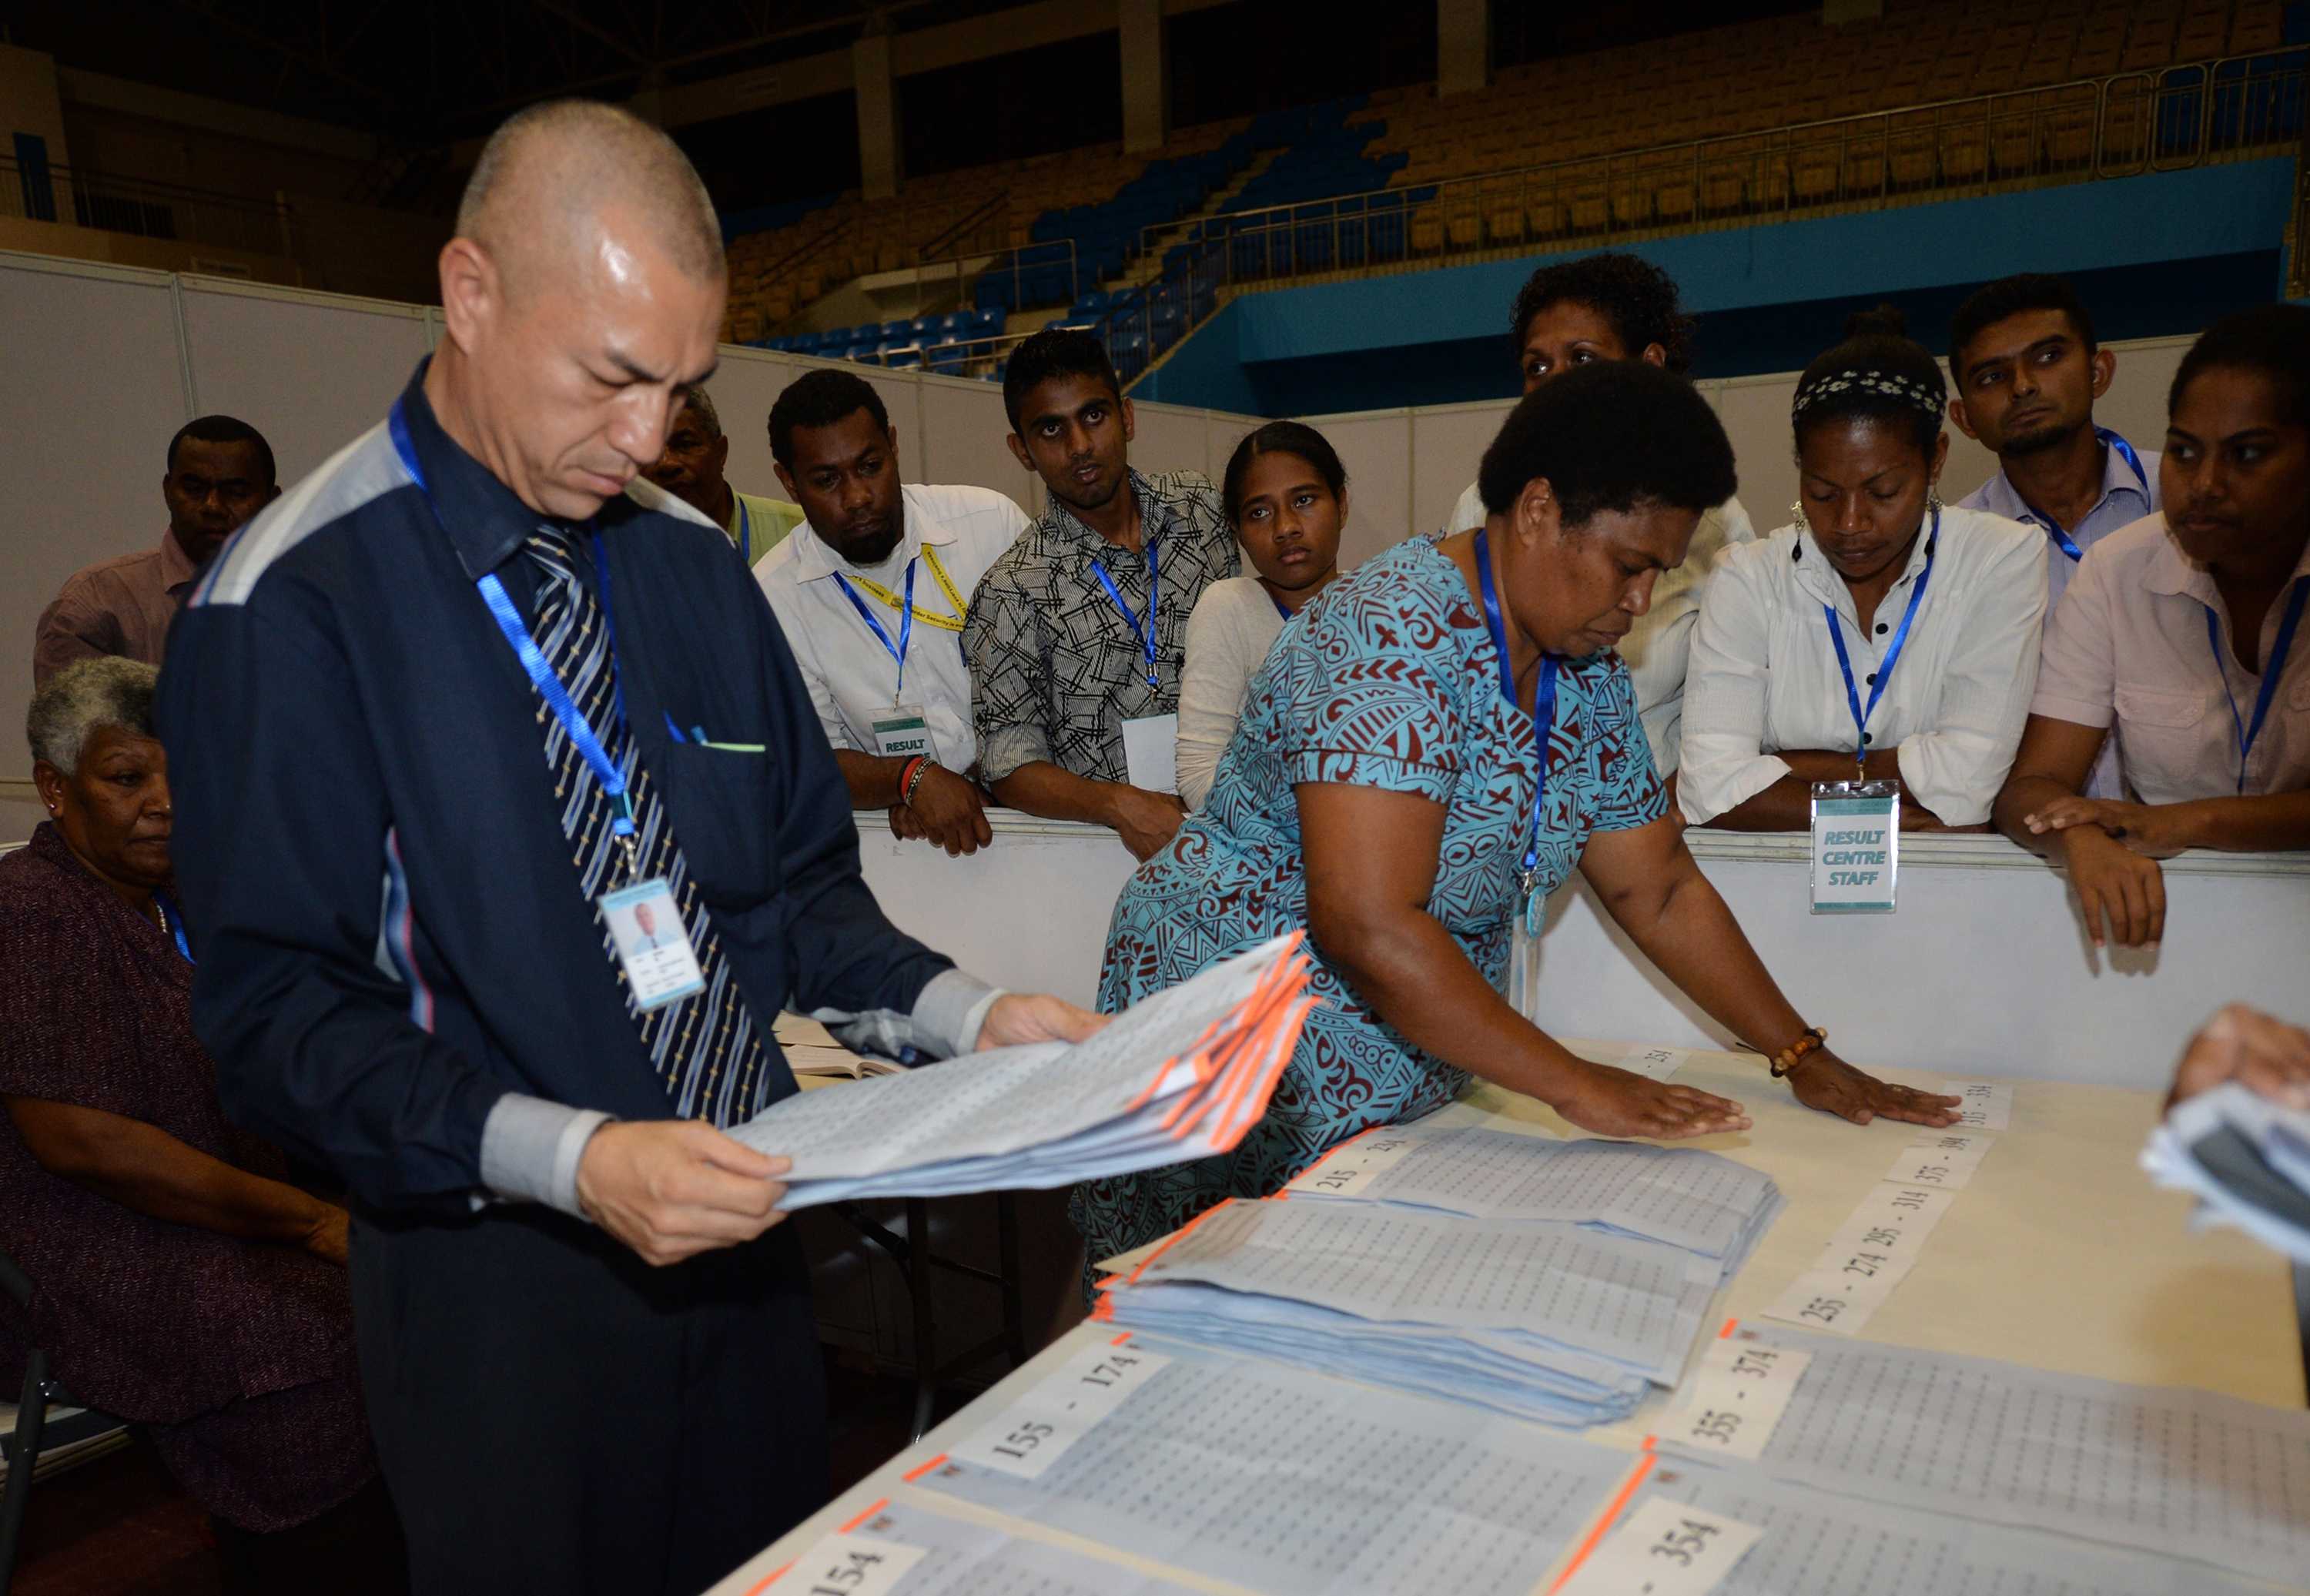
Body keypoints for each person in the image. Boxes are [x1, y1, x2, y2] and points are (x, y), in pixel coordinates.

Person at [155, 100, 1100, 1596]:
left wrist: (971, 1013)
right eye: (610, 377)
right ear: (470, 294)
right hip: (502, 1297)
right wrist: (579, 1158)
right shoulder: (293, 606)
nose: (649, 436)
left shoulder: (685, 567)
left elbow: (801, 891)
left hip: (743, 1240)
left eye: (680, 386)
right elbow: (274, 1025)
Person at [1072, 362, 1961, 1270]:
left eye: (1657, 572)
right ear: (1538, 511)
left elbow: (1656, 886)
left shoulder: (1584, 668)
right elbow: (1369, 925)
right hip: (1238, 1040)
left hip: (1392, 1049)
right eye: (1627, 566)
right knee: (1196, 1309)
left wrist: (1798, 1051)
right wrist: (1575, 1087)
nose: (1640, 602)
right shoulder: (1389, 638)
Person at [0, 660, 403, 1592]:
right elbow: (82, 1141)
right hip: (82, 1245)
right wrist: (310, 1221)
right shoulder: (33, 911)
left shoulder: (178, 899)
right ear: (56, 790)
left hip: (208, 1206)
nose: (168, 804)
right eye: (128, 778)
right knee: (316, 1336)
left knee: (438, 1259)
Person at [1994, 305, 2310, 949]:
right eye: (2185, 451)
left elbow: (2158, 824)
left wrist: (2174, 822)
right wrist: (2078, 835)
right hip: (2174, 933)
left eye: (2247, 454)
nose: (2204, 485)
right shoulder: (2117, 573)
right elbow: (2029, 788)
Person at [1678, 308, 2047, 831]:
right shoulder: (1748, 576)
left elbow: (1968, 783)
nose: (1850, 523)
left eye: (1883, 492)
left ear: (1936, 459)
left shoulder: (2000, 558)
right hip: (1772, 887)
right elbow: (1709, 788)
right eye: (1822, 493)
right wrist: (1890, 810)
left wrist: (1786, 771)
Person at [1446, 252, 1754, 776]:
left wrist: (1675, 804)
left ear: (1650, 366)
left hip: (1650, 801)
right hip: (1502, 806)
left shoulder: (1711, 518)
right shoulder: (1483, 504)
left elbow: (1726, 717)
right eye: (1537, 366)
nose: (1557, 384)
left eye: (1582, 358)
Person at [963, 327, 1240, 860]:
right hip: (1107, 858)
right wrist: (1117, 805)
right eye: (1051, 429)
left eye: (1094, 415)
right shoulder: (1013, 589)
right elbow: (1008, 764)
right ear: (1021, 450)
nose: (1080, 445)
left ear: (1127, 416)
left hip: (1239, 829)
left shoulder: (1200, 510)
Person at [755, 368, 1029, 857]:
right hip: (909, 854)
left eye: (869, 466)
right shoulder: (773, 598)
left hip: (1047, 815)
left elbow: (1065, 682)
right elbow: (808, 760)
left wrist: (987, 781)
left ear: (894, 446)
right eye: (826, 480)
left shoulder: (992, 525)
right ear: (788, 483)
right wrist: (904, 781)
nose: (857, 497)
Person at [1949, 274, 2160, 800]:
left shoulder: (2184, 501)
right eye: (1992, 376)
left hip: (2200, 847)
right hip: (2025, 847)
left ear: (2098, 371)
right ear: (1964, 418)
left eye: (2046, 357)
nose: (2022, 386)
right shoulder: (1950, 548)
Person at [1176, 421, 1348, 811]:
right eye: (1259, 512)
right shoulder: (1229, 607)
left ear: (1342, 504)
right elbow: (1200, 778)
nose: (1285, 527)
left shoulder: (1381, 604)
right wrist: (1325, 820)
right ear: (1236, 530)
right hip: (1265, 856)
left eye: (1304, 500)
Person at [34, 416, 280, 687]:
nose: (212, 506)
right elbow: (77, 726)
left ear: (272, 501)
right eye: (194, 489)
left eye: (235, 492)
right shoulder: (95, 603)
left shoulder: (315, 599)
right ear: (168, 491)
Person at [642, 381, 806, 566]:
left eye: (685, 444)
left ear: (721, 453)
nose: (667, 463)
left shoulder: (799, 532)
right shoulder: (615, 550)